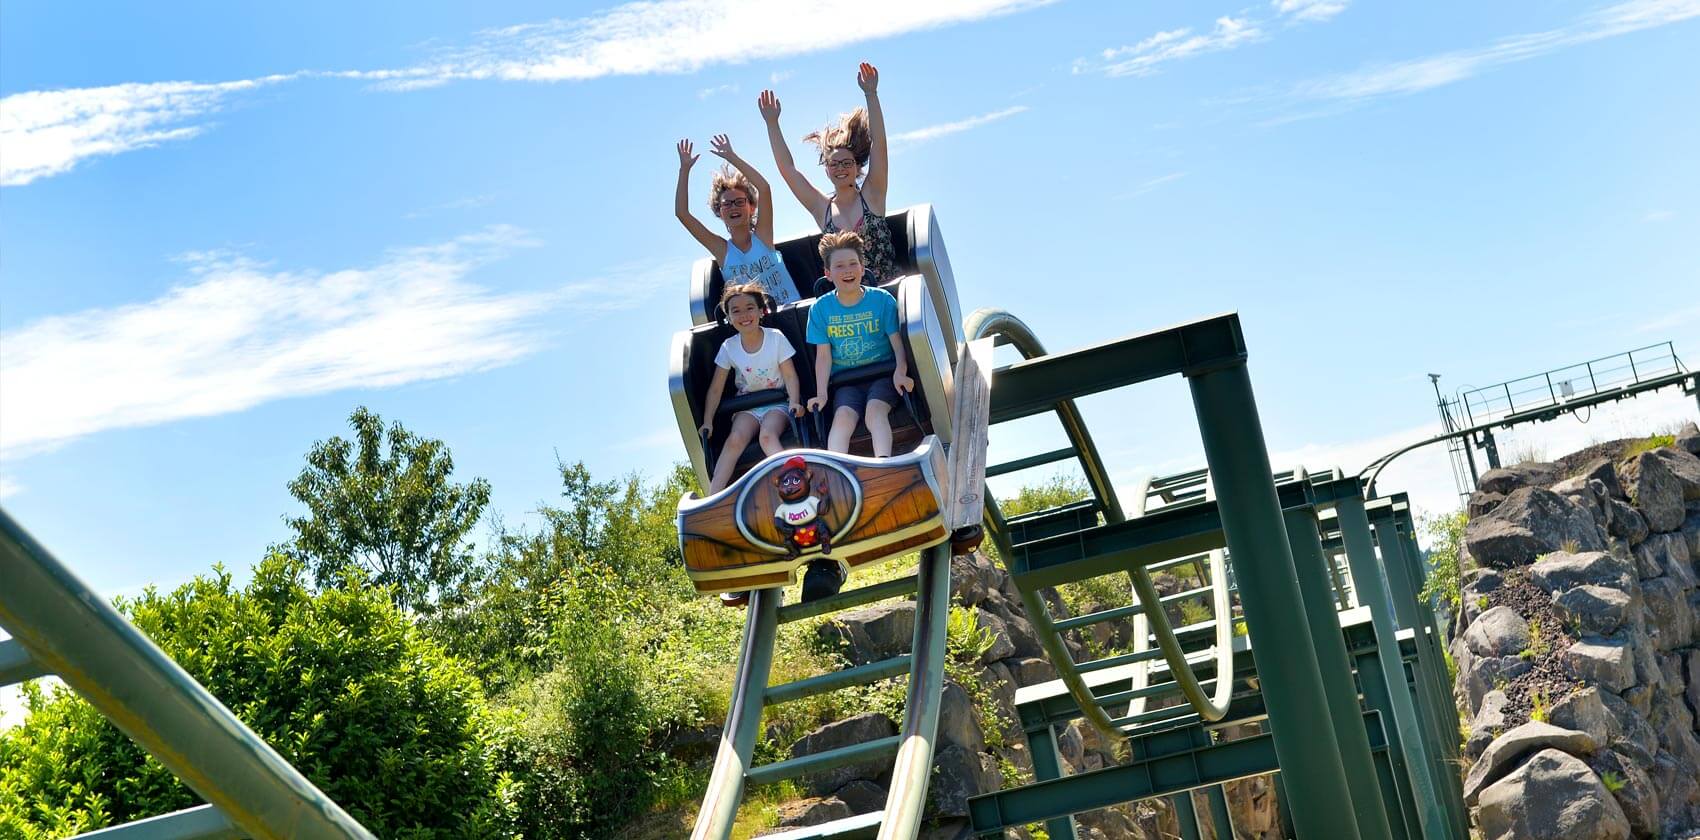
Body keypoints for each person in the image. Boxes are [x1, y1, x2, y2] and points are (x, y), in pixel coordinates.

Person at [758, 62, 898, 283]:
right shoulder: (822, 208)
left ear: (857, 166)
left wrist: (871, 94)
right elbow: (788, 170)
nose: (840, 168)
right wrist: (772, 124)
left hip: (885, 290)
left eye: (846, 163)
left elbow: (879, 145)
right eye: (834, 164)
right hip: (846, 297)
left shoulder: (873, 195)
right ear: (826, 169)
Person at [806, 231, 914, 459]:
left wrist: (900, 372)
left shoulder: (882, 300)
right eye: (839, 266)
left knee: (874, 412)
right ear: (828, 273)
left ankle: (883, 461)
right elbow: (823, 356)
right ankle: (837, 469)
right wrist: (821, 394)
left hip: (882, 374)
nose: (847, 271)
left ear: (863, 268)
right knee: (843, 417)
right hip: (847, 381)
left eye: (853, 264)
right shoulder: (820, 309)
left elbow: (898, 344)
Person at [699, 284, 804, 495]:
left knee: (767, 436)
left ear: (761, 311)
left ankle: (793, 479)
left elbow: (790, 375)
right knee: (735, 440)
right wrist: (708, 420)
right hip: (748, 405)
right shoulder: (729, 347)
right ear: (728, 317)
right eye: (736, 311)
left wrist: (794, 401)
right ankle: (714, 496)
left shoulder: (775, 338)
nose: (744, 315)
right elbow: (716, 389)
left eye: (749, 308)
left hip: (777, 403)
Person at [675, 135, 802, 306]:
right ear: (719, 212)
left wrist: (731, 157)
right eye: (726, 204)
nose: (733, 207)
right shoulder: (723, 251)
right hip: (750, 319)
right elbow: (682, 213)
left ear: (752, 207)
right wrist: (684, 170)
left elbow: (764, 188)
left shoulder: (763, 237)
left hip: (789, 311)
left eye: (739, 202)